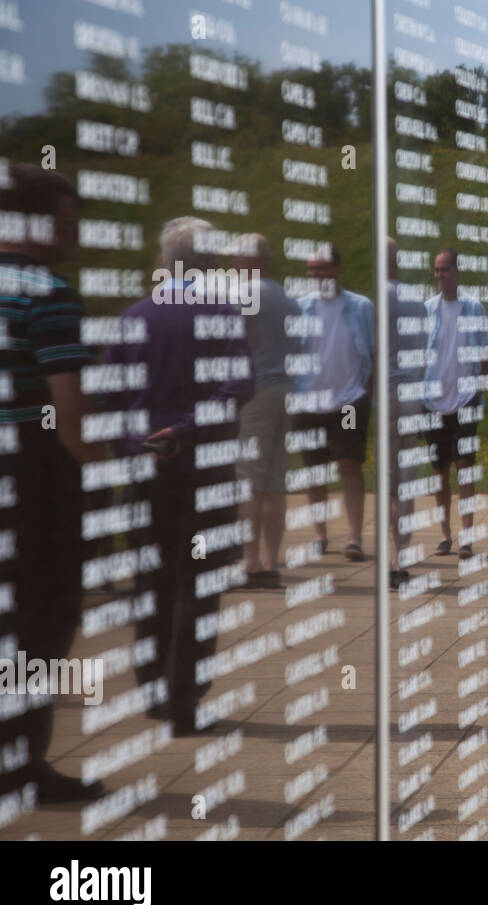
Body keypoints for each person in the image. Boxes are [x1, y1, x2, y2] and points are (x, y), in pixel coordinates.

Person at [107, 216, 252, 736]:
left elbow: (108, 401)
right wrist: (184, 433)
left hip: (145, 473)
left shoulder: (132, 317)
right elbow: (238, 388)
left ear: (166, 263)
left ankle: (153, 694)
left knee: (153, 581)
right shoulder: (221, 314)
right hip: (202, 469)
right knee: (196, 583)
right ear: (210, 262)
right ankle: (184, 700)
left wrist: (141, 444)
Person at [0, 165, 104, 803]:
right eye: (67, 222)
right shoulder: (48, 292)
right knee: (42, 621)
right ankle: (21, 763)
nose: (73, 234)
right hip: (35, 480)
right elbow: (69, 413)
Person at [293, 246, 374, 561]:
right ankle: (319, 533)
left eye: (323, 268)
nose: (317, 275)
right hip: (308, 402)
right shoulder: (299, 308)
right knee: (314, 472)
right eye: (312, 269)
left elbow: (375, 351)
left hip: (350, 402)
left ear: (338, 270)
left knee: (349, 465)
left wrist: (365, 389)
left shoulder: (360, 307)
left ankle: (354, 537)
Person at [231, 234, 297, 588]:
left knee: (250, 481)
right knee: (274, 481)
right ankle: (272, 561)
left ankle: (250, 562)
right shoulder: (288, 297)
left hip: (254, 392)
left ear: (247, 261)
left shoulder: (243, 295)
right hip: (285, 390)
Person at [423, 248, 488, 559]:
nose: (440, 276)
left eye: (445, 270)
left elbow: (486, 352)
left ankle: (466, 536)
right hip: (433, 401)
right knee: (439, 472)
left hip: (465, 398)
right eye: (437, 271)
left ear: (457, 272)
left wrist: (476, 388)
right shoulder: (427, 309)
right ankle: (444, 534)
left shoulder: (473, 307)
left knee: (465, 468)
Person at [386, 238, 434, 588]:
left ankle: (392, 559)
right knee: (406, 479)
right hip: (413, 394)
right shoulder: (417, 300)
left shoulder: (379, 298)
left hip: (388, 392)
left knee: (390, 484)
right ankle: (402, 555)